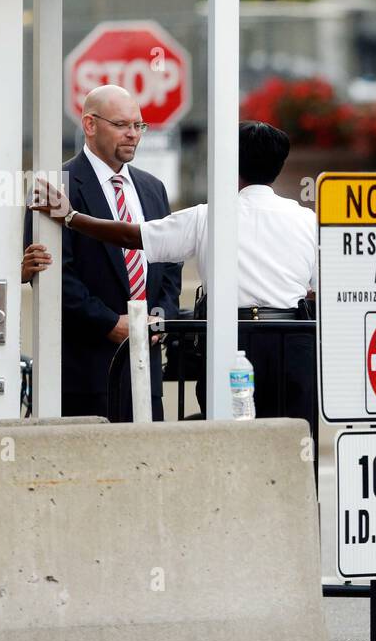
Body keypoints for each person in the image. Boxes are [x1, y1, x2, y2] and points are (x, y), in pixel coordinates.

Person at [33, 121, 317, 433]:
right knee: (294, 440)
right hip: (294, 341)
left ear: (231, 162)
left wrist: (71, 217)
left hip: (233, 344)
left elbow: (133, 237)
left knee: (230, 442)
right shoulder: (307, 219)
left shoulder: (209, 216)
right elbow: (318, 289)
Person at [27, 85, 182, 421]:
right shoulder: (58, 185)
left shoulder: (153, 188)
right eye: (122, 125)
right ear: (90, 125)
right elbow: (56, 274)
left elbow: (170, 262)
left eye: (138, 126)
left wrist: (159, 319)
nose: (133, 135)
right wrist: (110, 323)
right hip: (87, 370)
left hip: (147, 363)